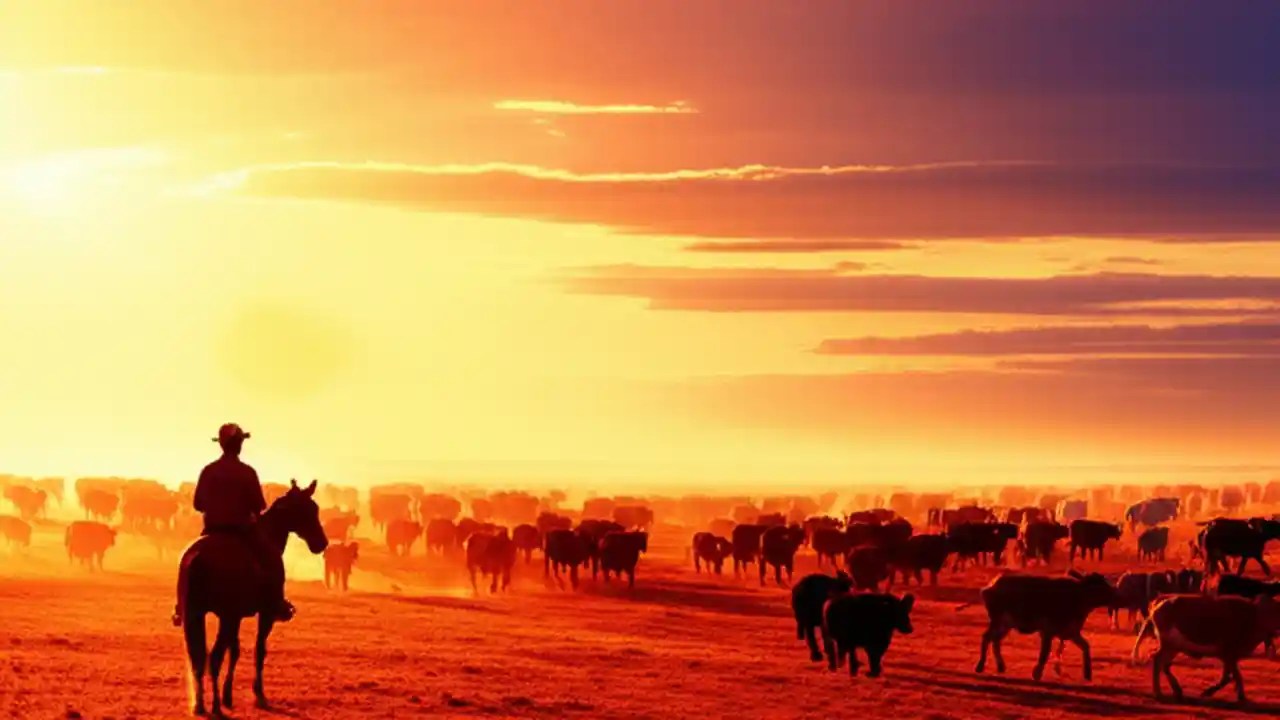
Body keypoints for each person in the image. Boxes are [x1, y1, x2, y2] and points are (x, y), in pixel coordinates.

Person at [192, 423, 294, 622]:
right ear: (238, 445)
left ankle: (181, 605)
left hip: (212, 530)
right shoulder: (247, 472)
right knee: (272, 558)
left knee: (189, 558)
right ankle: (277, 603)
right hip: (242, 532)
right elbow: (259, 506)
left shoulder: (208, 471)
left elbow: (197, 504)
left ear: (221, 445)